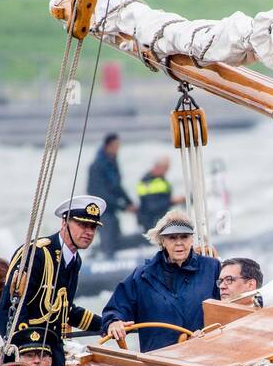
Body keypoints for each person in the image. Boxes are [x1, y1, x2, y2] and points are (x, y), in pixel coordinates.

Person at [0, 195, 106, 366]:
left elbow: (65, 310)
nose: (89, 232)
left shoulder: (75, 260)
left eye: (93, 227)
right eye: (83, 225)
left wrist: (107, 324)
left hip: (51, 348)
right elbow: (16, 310)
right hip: (22, 350)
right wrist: (31, 358)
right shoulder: (37, 253)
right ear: (64, 223)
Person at [102, 209, 220, 352]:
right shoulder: (142, 276)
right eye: (172, 238)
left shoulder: (212, 267)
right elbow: (116, 308)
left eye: (184, 237)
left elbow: (230, 306)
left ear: (191, 239)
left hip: (205, 357)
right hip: (159, 363)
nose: (179, 243)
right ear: (162, 241)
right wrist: (113, 322)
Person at [86, 133, 135, 255]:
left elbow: (117, 187)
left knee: (116, 240)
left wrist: (130, 202)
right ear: (107, 146)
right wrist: (123, 207)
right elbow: (99, 194)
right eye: (115, 146)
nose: (117, 149)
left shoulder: (113, 163)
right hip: (102, 212)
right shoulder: (97, 166)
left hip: (112, 210)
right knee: (108, 244)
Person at [135, 157, 185, 229]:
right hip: (150, 221)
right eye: (165, 168)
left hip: (159, 219)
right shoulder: (146, 182)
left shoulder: (160, 178)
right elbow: (151, 206)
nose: (166, 171)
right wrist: (172, 201)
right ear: (158, 167)